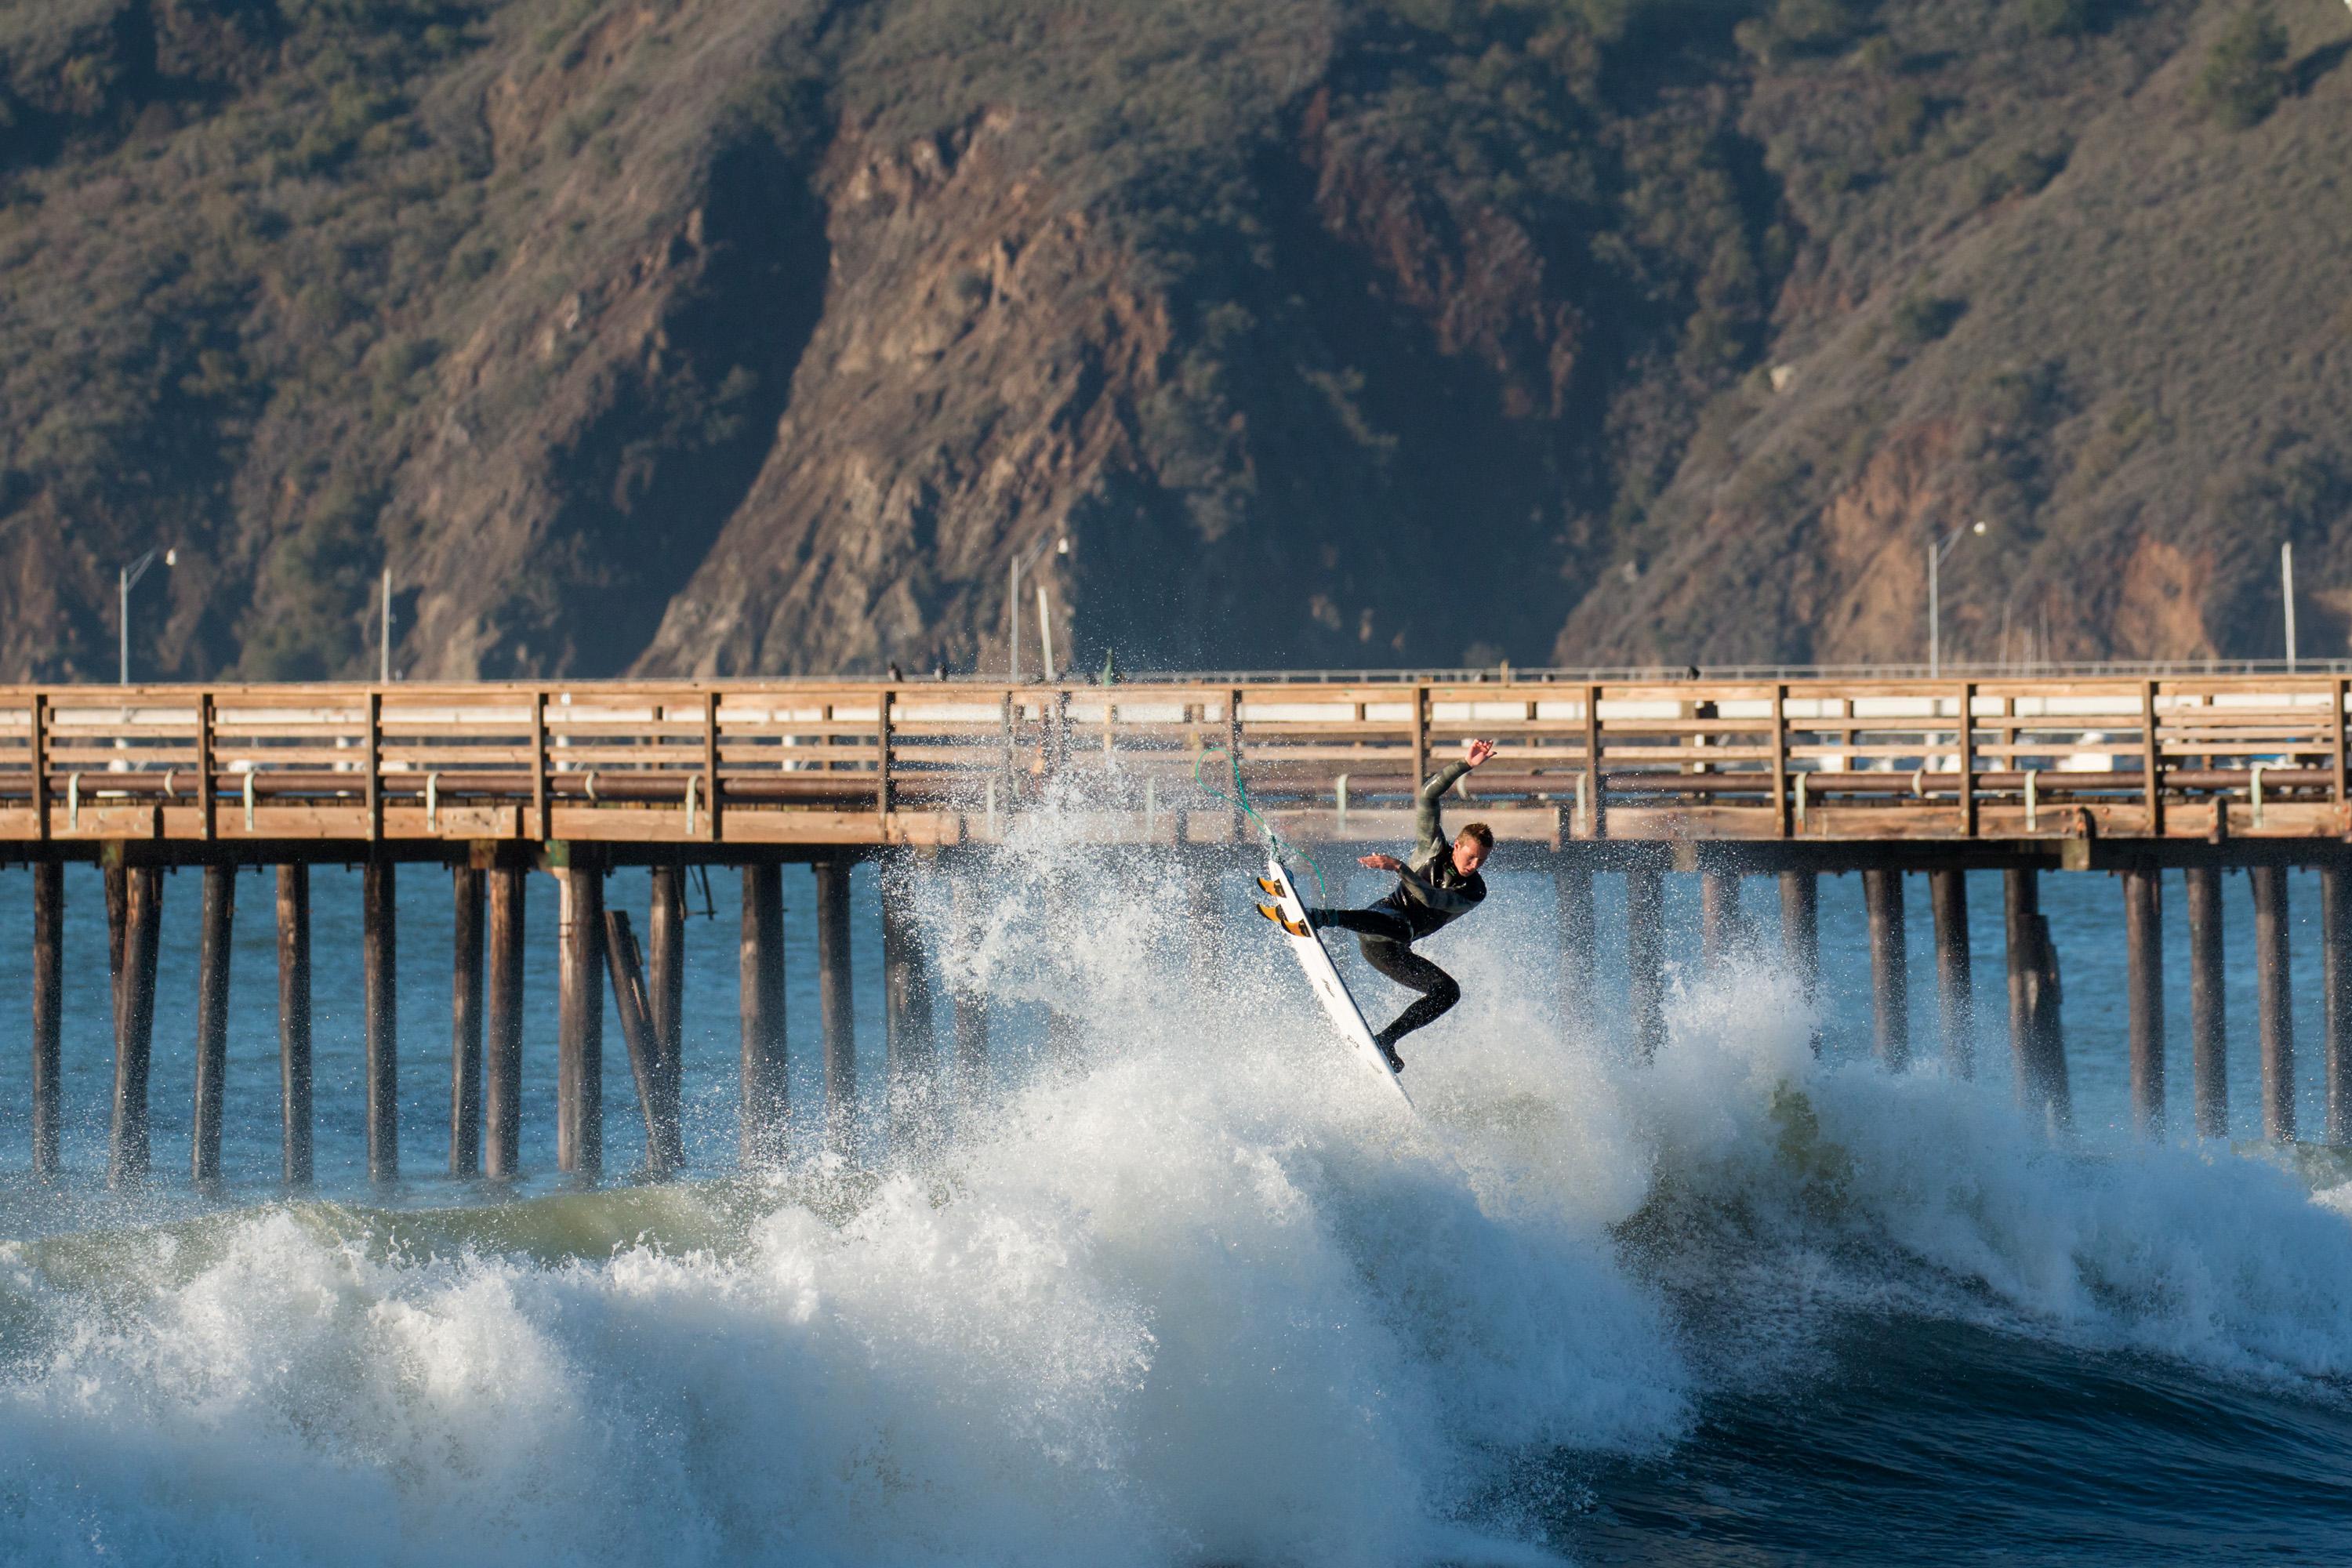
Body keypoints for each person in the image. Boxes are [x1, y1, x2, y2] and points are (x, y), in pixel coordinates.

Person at [1260, 738, 1497, 1071]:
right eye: (1470, 857)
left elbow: (1433, 899)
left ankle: (1386, 1039)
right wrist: (1464, 766)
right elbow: (1428, 795)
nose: (1474, 865)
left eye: (1481, 861)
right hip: (1379, 923)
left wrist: (1401, 868)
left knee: (1448, 992)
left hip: (1394, 952)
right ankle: (1317, 917)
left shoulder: (1475, 892)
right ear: (1456, 845)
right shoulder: (1432, 848)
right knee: (1398, 923)